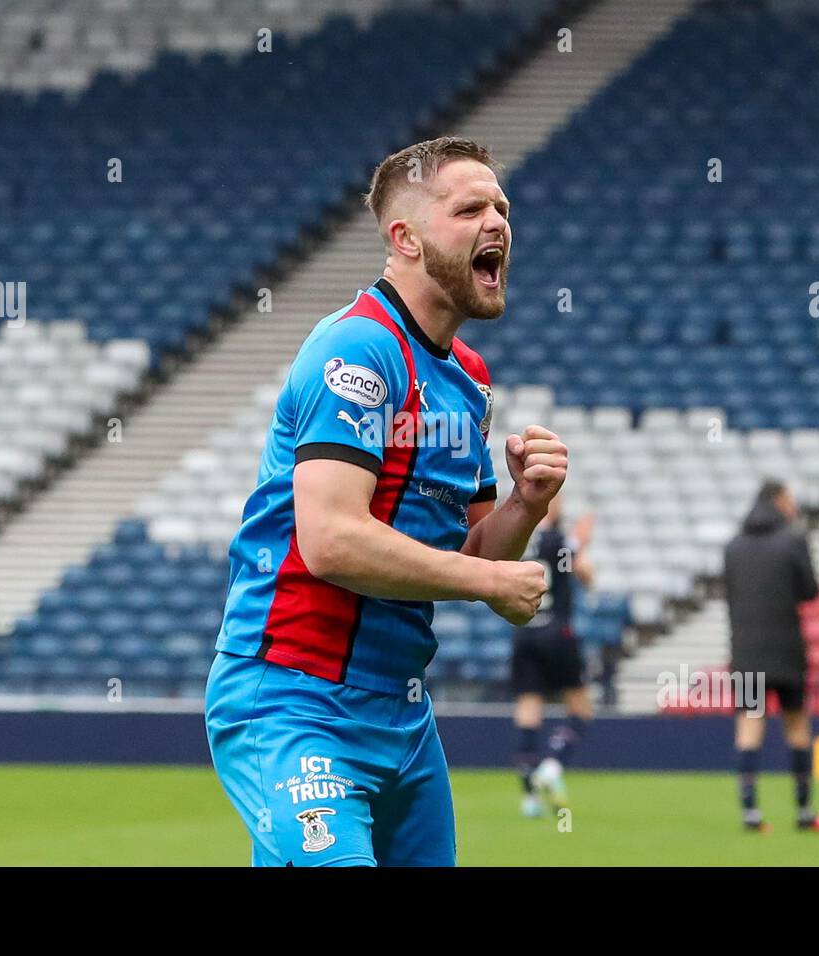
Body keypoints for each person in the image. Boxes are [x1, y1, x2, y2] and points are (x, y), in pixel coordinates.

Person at [205, 136, 568, 866]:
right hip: (291, 698)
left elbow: (473, 556)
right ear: (404, 238)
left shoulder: (469, 378)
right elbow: (331, 541)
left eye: (502, 206)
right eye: (470, 208)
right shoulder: (356, 352)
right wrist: (492, 579)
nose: (499, 221)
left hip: (401, 713)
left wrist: (524, 508)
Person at [723, 480, 819, 833]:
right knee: (797, 725)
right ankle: (803, 811)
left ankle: (750, 813)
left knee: (749, 727)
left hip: (747, 656)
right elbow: (810, 590)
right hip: (786, 653)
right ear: (779, 500)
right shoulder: (792, 539)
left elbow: (731, 596)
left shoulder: (734, 546)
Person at [512, 497, 594, 817]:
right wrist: (580, 546)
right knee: (581, 709)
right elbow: (586, 576)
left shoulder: (517, 537)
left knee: (528, 711)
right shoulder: (559, 540)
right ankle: (552, 766)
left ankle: (530, 798)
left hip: (524, 632)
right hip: (557, 633)